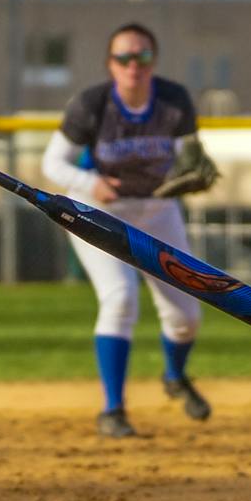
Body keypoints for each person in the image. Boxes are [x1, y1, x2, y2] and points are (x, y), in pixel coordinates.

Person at [40, 23, 221, 439]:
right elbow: (54, 166)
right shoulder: (92, 105)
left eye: (141, 57)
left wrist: (196, 170)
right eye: (124, 57)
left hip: (158, 212)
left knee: (187, 316)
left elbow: (189, 156)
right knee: (120, 298)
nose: (133, 65)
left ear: (153, 62)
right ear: (111, 64)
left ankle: (175, 377)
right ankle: (113, 410)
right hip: (102, 215)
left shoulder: (173, 101)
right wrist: (91, 184)